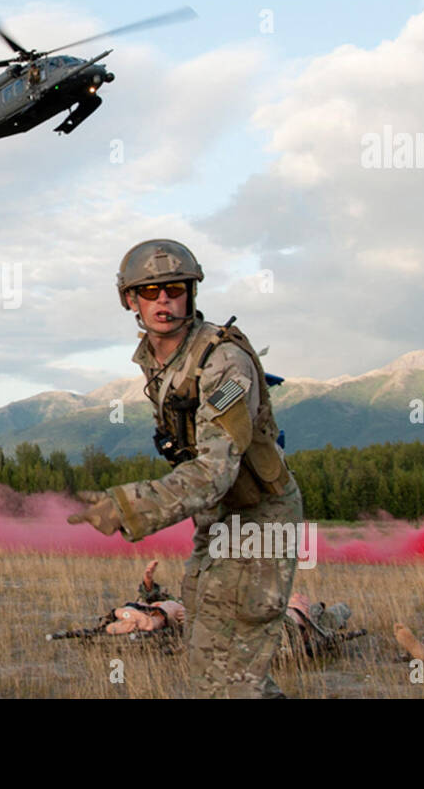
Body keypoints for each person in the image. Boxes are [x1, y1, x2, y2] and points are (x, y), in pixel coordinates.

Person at [68, 239, 303, 697]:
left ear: (191, 293)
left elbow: (216, 470)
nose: (163, 300)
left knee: (229, 676)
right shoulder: (158, 361)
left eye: (174, 288)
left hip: (259, 520)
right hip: (218, 518)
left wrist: (129, 507)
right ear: (130, 300)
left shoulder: (224, 362)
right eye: (149, 291)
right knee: (214, 659)